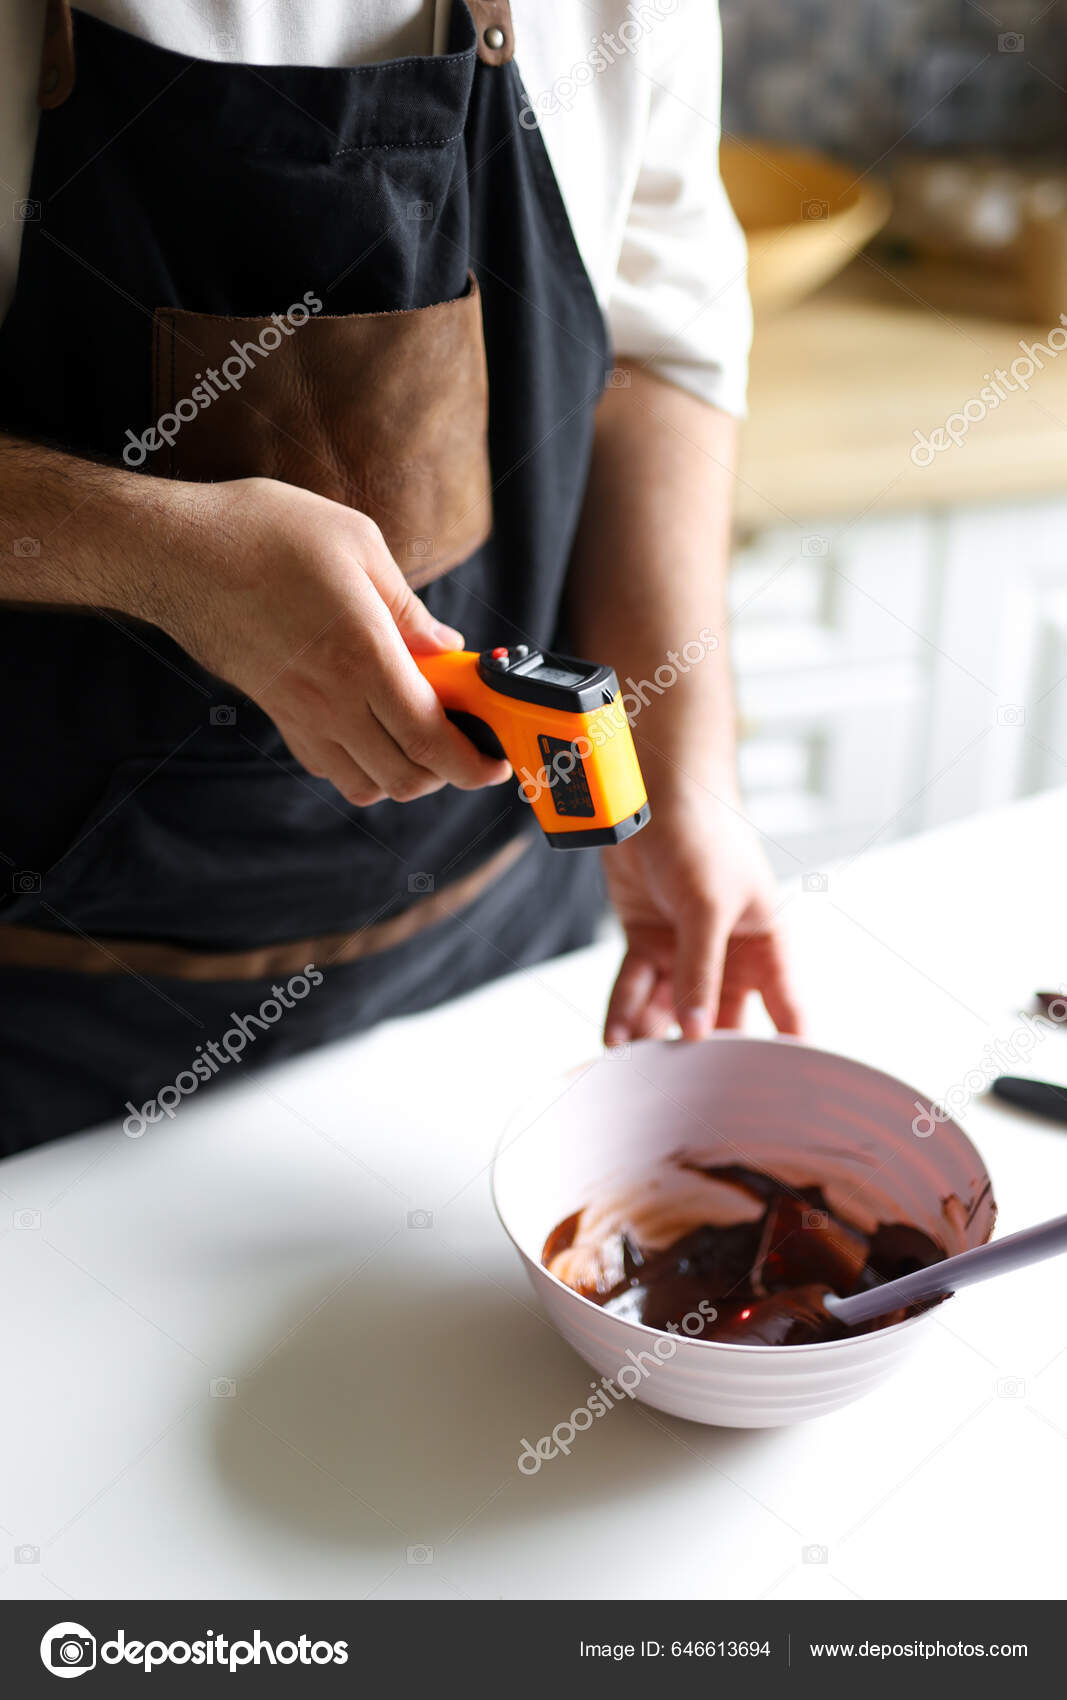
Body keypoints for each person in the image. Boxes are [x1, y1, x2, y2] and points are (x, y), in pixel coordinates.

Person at [0, 0, 800, 1152]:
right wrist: (160, 551)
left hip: (487, 934)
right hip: (42, 1011)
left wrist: (678, 778)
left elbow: (654, 346)